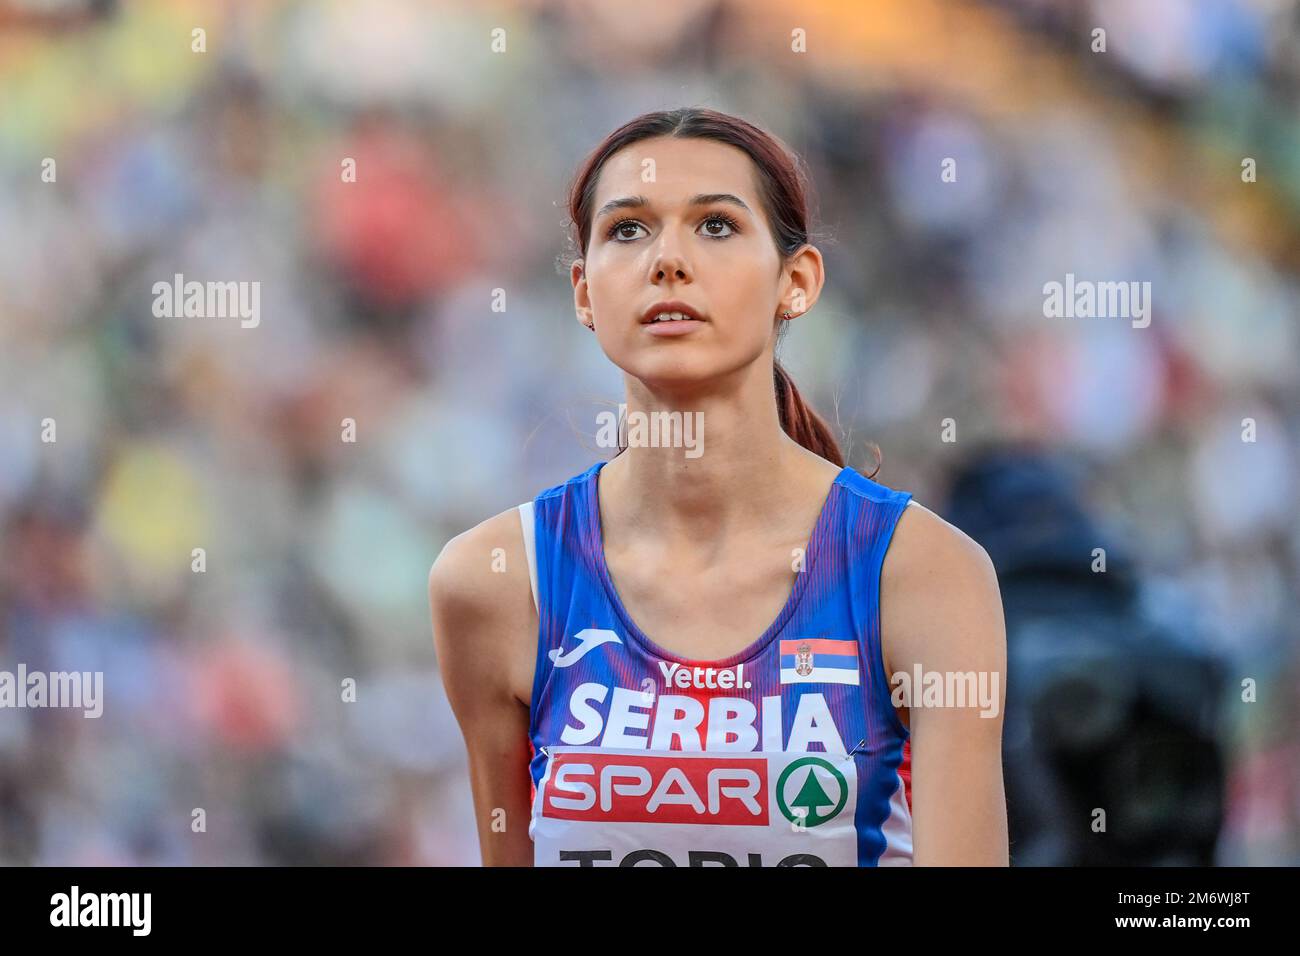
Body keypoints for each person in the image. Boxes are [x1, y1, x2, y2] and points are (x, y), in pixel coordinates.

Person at [428, 107, 1008, 867]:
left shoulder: (925, 575)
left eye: (716, 226)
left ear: (795, 283)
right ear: (582, 292)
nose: (667, 260)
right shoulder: (496, 585)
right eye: (628, 230)